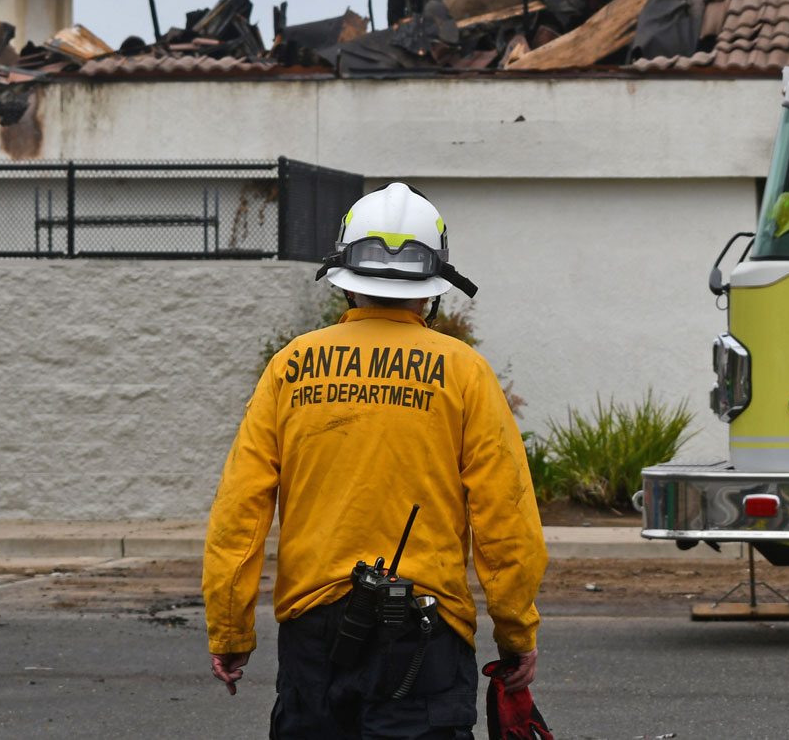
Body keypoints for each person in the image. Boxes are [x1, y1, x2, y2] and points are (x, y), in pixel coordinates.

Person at [203, 182, 547, 738]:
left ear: (344, 280)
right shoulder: (464, 373)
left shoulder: (291, 368)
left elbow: (238, 514)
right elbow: (505, 518)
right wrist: (516, 634)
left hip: (313, 639)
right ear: (432, 289)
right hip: (424, 637)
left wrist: (230, 631)